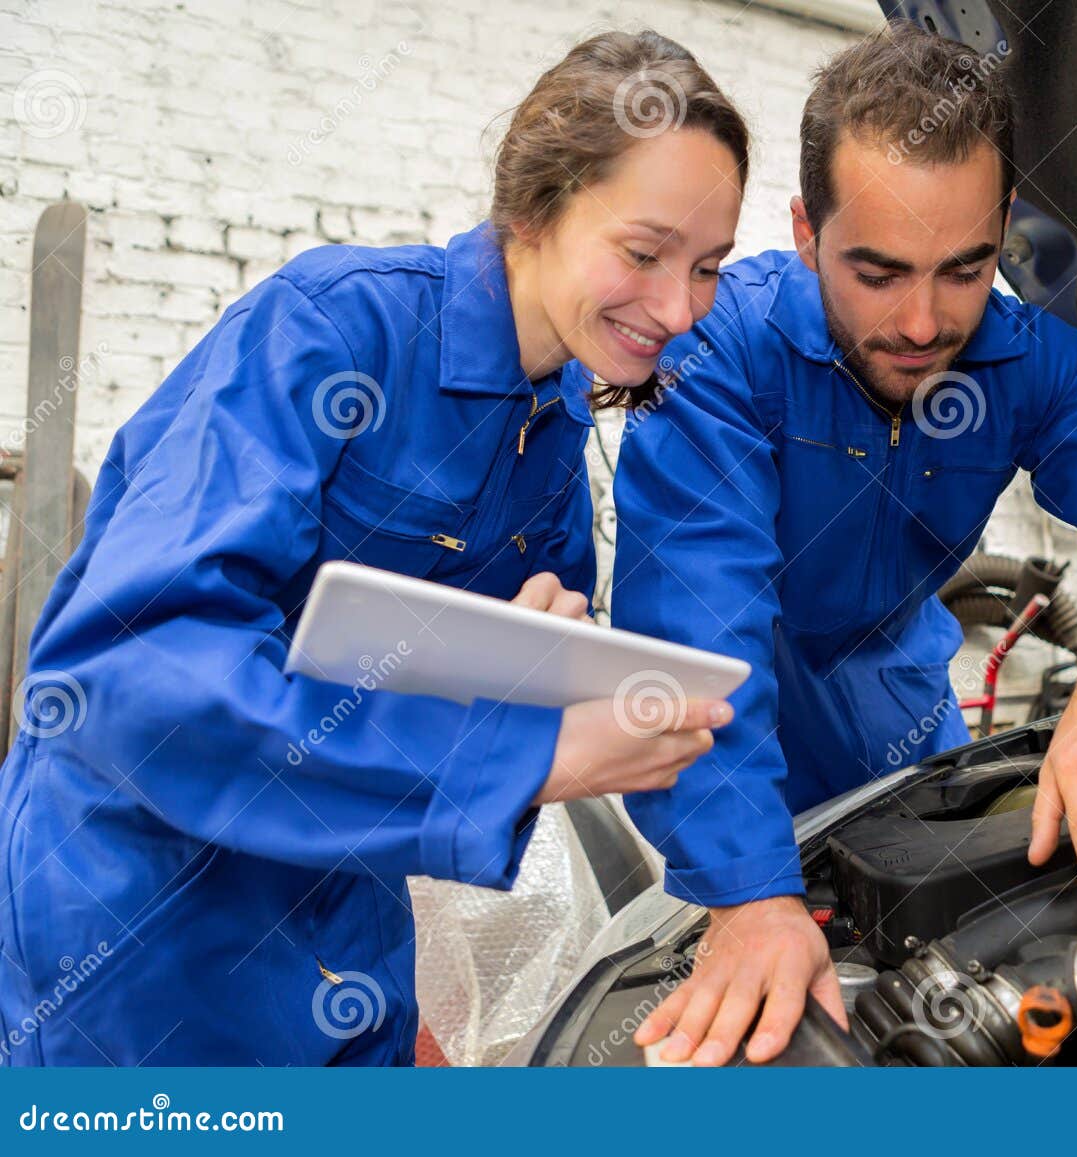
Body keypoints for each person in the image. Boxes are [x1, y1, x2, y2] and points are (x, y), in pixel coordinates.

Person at [0, 30, 749, 1066]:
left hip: (336, 901)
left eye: (708, 266)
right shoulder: (330, 331)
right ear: (534, 208)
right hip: (148, 923)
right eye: (643, 252)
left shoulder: (557, 418)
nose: (678, 308)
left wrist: (522, 675)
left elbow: (409, 693)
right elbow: (132, 670)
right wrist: (528, 751)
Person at [612, 21, 1077, 1066]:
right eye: (877, 270)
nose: (921, 321)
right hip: (733, 747)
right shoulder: (719, 354)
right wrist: (748, 886)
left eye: (964, 268)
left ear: (1003, 226)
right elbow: (695, 629)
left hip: (912, 730)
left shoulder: (1030, 362)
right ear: (804, 230)